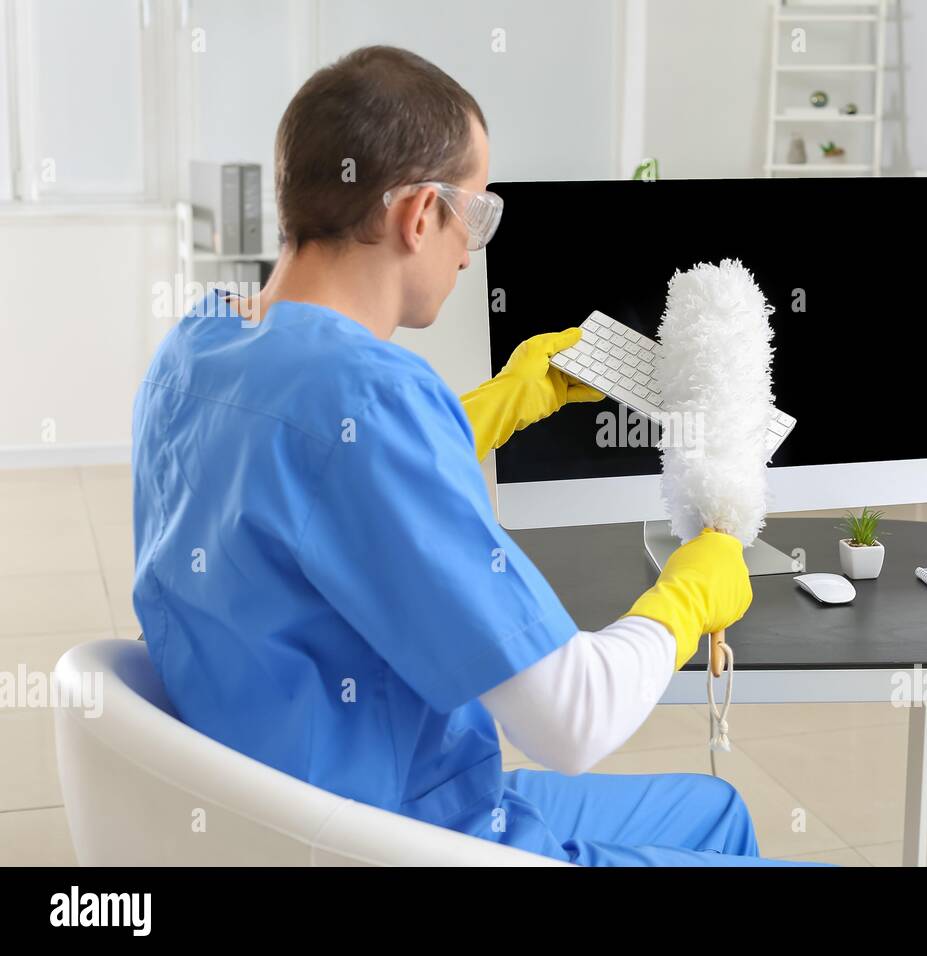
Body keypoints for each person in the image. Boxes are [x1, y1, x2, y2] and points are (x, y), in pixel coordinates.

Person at [133, 46, 811, 866]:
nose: (469, 250)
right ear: (419, 215)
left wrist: (496, 406)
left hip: (285, 803)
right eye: (475, 217)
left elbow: (312, 468)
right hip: (401, 835)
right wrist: (688, 592)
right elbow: (572, 719)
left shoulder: (199, 345)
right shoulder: (374, 401)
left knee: (715, 810)